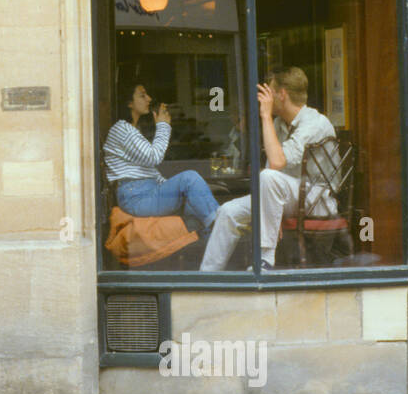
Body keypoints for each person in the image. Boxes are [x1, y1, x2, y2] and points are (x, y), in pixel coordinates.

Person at [199, 66, 336, 271]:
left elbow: (276, 163)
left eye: (267, 92)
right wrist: (272, 212)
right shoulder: (280, 123)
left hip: (318, 198)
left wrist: (265, 116)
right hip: (289, 195)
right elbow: (270, 172)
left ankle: (265, 260)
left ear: (281, 95)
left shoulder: (314, 123)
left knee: (270, 176)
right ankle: (207, 277)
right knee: (228, 211)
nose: (262, 98)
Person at [103, 83, 219, 232]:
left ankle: (212, 244)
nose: (149, 99)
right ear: (129, 103)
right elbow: (154, 157)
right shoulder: (122, 129)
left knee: (195, 208)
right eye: (142, 95)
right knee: (190, 178)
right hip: (137, 198)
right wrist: (163, 125)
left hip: (144, 192)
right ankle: (222, 224)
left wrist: (175, 187)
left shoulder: (131, 129)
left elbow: (148, 169)